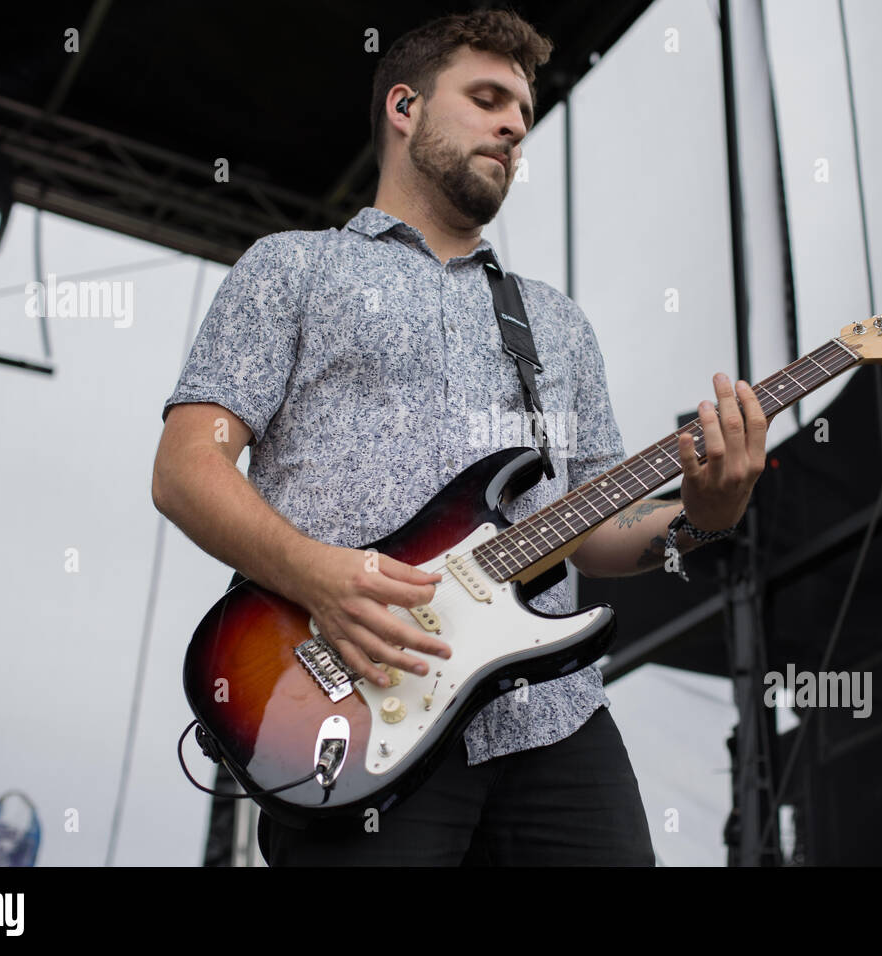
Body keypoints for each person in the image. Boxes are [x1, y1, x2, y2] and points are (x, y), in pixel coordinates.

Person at [151, 9, 768, 866]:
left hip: (552, 721)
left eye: (522, 111)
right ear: (404, 108)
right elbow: (187, 468)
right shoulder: (292, 268)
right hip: (351, 709)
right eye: (486, 99)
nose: (515, 125)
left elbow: (593, 535)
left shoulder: (556, 324)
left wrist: (705, 514)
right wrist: (319, 576)